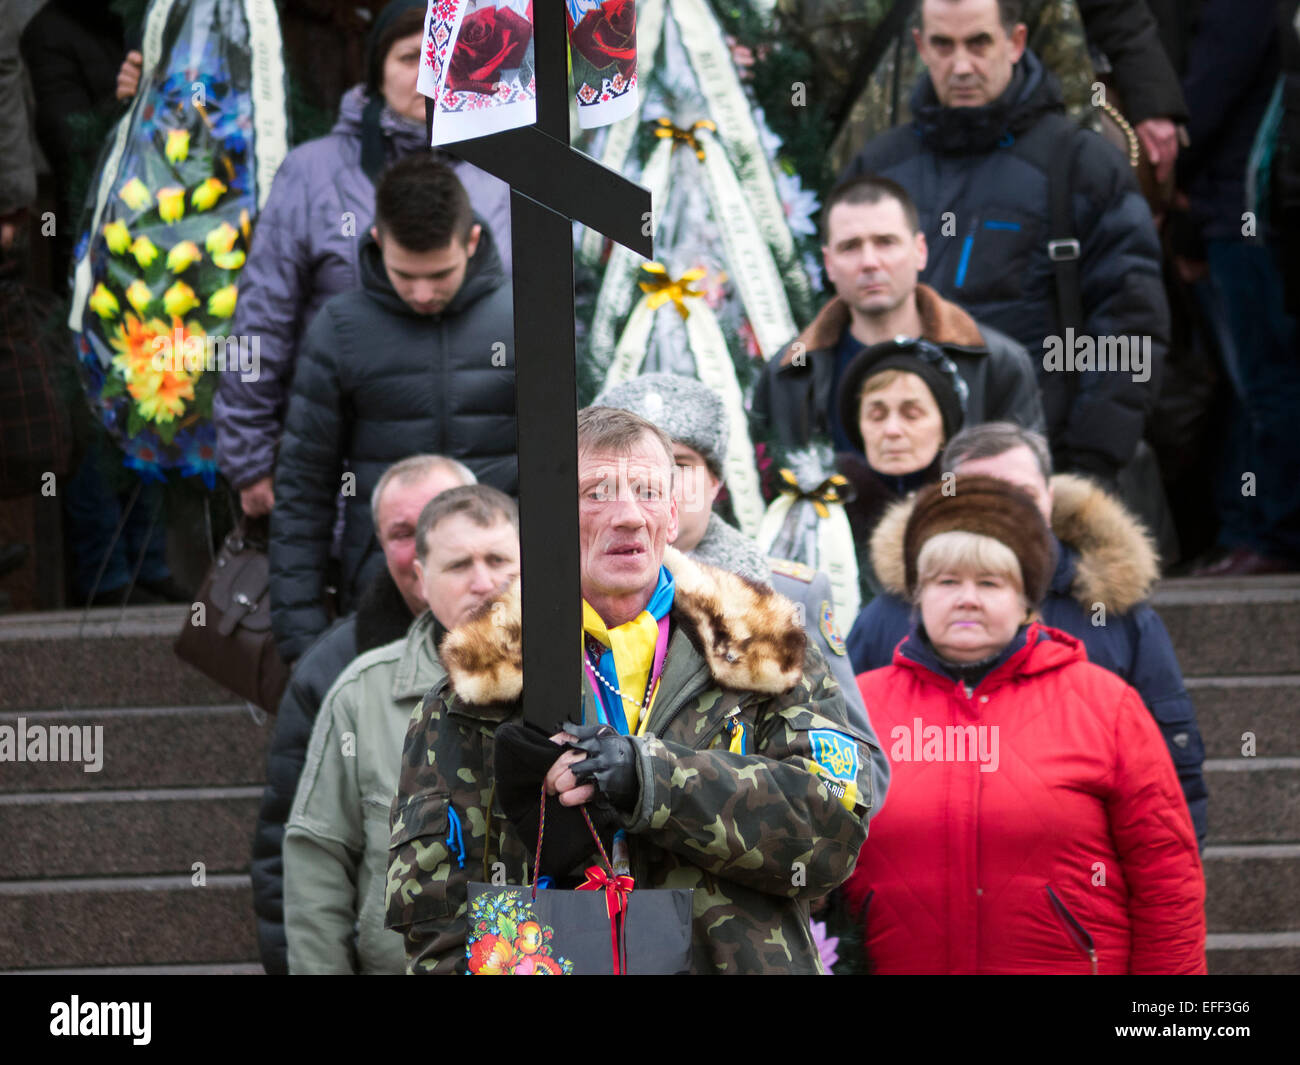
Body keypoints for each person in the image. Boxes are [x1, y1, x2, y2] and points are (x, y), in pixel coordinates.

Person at [386, 406, 880, 973]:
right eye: (597, 492)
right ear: (547, 518)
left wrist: (651, 779)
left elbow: (832, 837)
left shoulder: (767, 649)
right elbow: (433, 921)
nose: (628, 516)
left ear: (672, 515)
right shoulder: (478, 683)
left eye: (647, 491)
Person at [841, 474, 1206, 973]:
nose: (966, 598)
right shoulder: (856, 706)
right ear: (918, 595)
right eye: (946, 582)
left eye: (990, 583)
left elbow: (1166, 875)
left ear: (1026, 599)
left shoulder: (1106, 705)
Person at [841, 0, 1169, 492]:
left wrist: (1088, 469)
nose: (962, 65)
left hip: (1042, 473)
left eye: (979, 43)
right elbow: (836, 316)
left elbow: (1129, 327)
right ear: (920, 48)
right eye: (944, 45)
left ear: (1015, 43)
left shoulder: (1082, 165)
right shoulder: (881, 167)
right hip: (899, 481)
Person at [213, 0, 512, 521]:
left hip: (486, 466)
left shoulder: (508, 173)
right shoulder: (312, 173)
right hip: (346, 466)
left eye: (443, 57)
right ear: (377, 69)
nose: (427, 76)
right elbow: (261, 321)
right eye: (410, 57)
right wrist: (251, 459)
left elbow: (554, 311)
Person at [847, 422, 1207, 844]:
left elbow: (1171, 778)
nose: (1008, 516)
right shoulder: (890, 614)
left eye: (1024, 496)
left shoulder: (1116, 612)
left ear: (1050, 499)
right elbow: (839, 761)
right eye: (983, 498)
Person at [595, 373, 890, 803]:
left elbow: (860, 780)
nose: (652, 486)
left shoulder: (786, 593)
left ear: (716, 482)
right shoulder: (566, 596)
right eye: (625, 473)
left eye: (679, 464)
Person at [268, 154, 516, 664]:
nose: (423, 293)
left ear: (471, 242)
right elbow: (303, 488)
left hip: (505, 588)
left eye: (440, 274)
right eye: (405, 274)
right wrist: (301, 636)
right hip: (381, 591)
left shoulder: (523, 317)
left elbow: (565, 468)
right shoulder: (340, 329)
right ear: (378, 243)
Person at [251, 453, 476, 974]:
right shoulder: (334, 671)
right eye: (404, 531)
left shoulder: (563, 661)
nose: (426, 539)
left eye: (440, 520)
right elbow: (299, 853)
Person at [283, 484, 521, 974]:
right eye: (459, 565)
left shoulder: (585, 675)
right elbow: (318, 861)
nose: (483, 582)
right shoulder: (362, 693)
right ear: (420, 579)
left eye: (499, 560)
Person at [752, 174, 1043, 456]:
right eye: (850, 247)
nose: (869, 262)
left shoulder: (994, 365)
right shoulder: (789, 375)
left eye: (885, 242)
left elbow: (1021, 489)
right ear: (829, 264)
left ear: (920, 251)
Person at [834, 335, 965, 599]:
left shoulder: (970, 504)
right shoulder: (826, 510)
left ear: (943, 431)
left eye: (912, 414)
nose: (892, 430)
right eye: (876, 415)